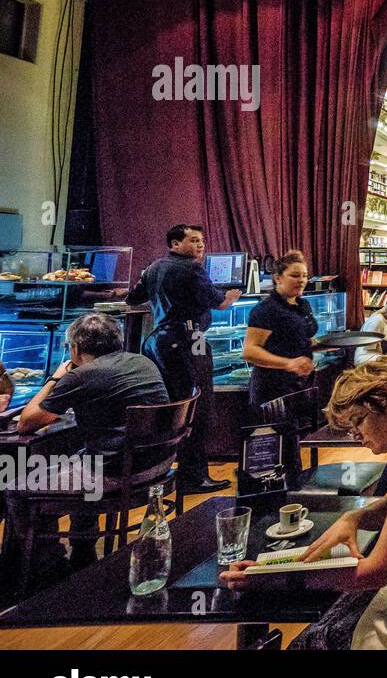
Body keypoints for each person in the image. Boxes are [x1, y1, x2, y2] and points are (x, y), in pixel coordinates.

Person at [221, 356, 387, 649]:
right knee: (329, 623)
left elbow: (378, 572)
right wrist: (353, 519)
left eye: (359, 421)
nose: (356, 436)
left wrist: (274, 579)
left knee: (316, 638)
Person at [17, 314, 170, 567]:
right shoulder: (142, 362)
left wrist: (56, 378)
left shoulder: (81, 376)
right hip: (157, 465)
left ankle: (44, 566)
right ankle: (83, 553)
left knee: (18, 488)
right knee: (83, 457)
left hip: (117, 473)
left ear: (75, 348)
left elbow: (27, 422)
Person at [126, 222, 241, 492]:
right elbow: (219, 302)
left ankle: (163, 470)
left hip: (157, 341)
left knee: (171, 407)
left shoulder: (154, 267)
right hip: (191, 340)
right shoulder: (192, 269)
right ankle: (195, 476)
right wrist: (232, 296)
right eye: (193, 240)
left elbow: (134, 297)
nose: (200, 245)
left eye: (201, 240)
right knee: (197, 407)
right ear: (175, 244)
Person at [242, 250, 318, 408]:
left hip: (300, 384)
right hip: (273, 388)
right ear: (278, 277)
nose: (302, 280)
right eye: (295, 276)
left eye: (304, 276)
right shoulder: (266, 309)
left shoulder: (303, 305)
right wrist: (289, 363)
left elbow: (296, 338)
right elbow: (249, 351)